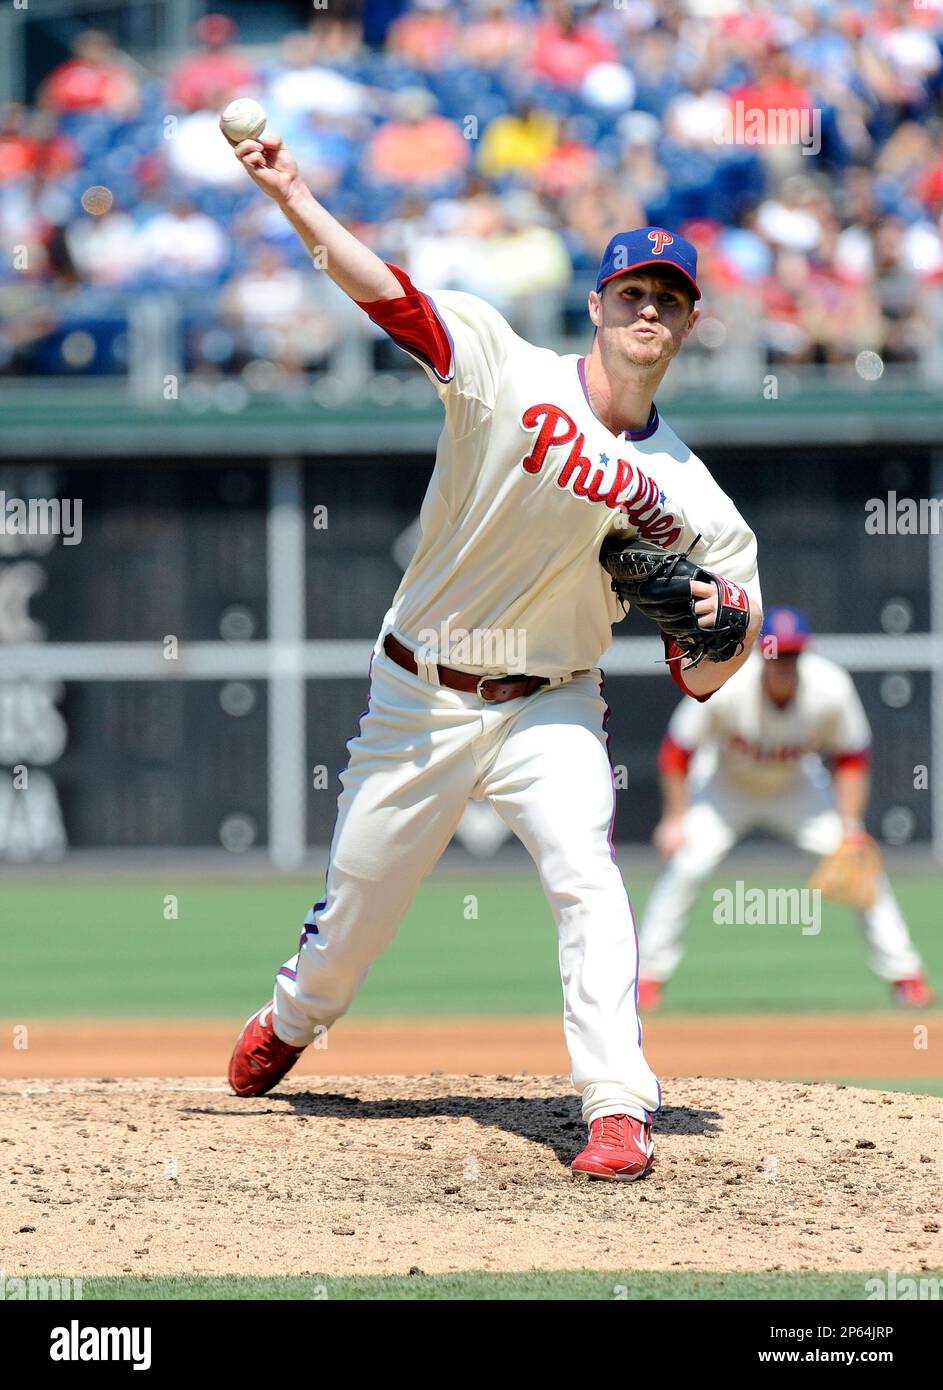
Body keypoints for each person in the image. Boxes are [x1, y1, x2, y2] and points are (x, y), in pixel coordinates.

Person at [223, 118, 763, 1181]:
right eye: (631, 293)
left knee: (588, 878)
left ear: (690, 322)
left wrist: (716, 618)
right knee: (355, 921)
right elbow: (391, 296)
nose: (647, 309)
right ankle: (293, 1015)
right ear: (598, 306)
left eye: (669, 298)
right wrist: (291, 195)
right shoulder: (502, 367)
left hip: (548, 703)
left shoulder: (697, 499)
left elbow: (714, 664)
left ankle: (617, 1107)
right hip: (418, 692)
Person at [637, 606, 933, 1011]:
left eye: (793, 655)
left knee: (860, 863)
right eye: (777, 654)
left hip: (796, 787)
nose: (784, 664)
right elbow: (677, 752)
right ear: (762, 654)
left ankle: (906, 976)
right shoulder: (728, 682)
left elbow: (852, 758)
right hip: (727, 786)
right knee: (686, 867)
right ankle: (647, 979)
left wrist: (850, 827)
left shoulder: (830, 687)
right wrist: (675, 819)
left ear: (804, 655)